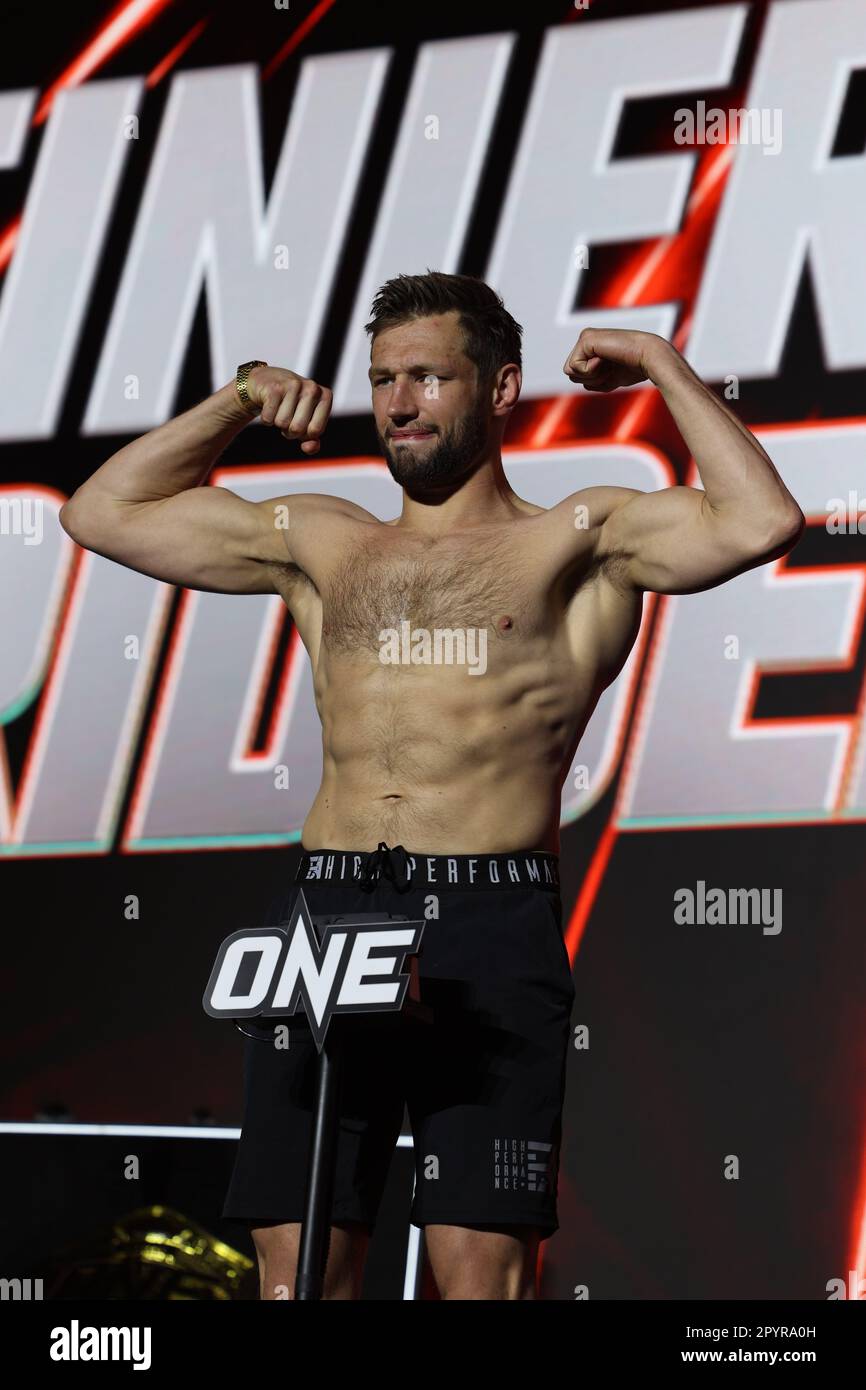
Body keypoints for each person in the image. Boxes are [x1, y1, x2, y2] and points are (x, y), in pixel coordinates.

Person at [59, 271, 805, 1299]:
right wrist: (237, 401)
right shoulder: (319, 539)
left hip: (487, 921)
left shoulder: (577, 540)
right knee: (296, 1271)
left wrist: (655, 364)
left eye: (426, 377)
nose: (399, 403)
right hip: (328, 907)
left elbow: (759, 518)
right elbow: (102, 511)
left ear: (500, 388)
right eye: (383, 380)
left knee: (478, 1273)